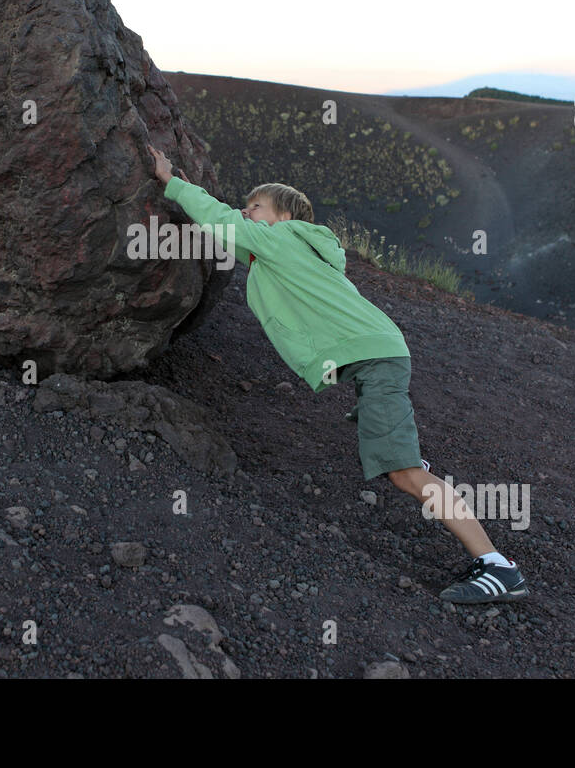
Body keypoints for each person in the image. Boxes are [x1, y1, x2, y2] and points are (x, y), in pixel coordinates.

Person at [147, 144, 528, 603]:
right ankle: (414, 465)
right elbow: (233, 236)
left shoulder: (283, 241)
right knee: (404, 466)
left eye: (255, 206)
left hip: (376, 359)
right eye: (245, 205)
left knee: (406, 475)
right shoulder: (296, 252)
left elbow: (221, 222)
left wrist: (171, 181)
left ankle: (497, 567)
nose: (245, 211)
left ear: (284, 218)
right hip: (378, 355)